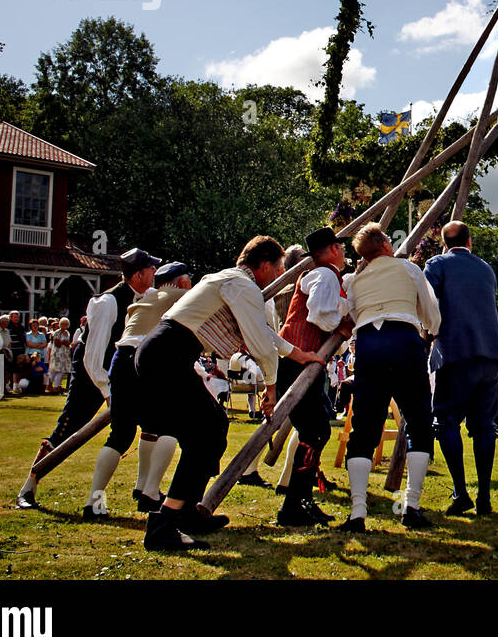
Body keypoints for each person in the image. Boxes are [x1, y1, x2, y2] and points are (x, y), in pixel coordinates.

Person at [136, 236, 322, 551]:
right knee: (205, 435)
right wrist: (271, 386)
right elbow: (259, 343)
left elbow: (261, 332)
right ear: (263, 265)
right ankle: (164, 523)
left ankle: (185, 514)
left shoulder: (230, 280)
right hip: (168, 354)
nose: (278, 275)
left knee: (213, 429)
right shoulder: (242, 286)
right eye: (276, 268)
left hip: (168, 352)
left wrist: (297, 354)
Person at [17, 248, 161, 512]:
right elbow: (93, 356)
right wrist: (108, 392)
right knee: (68, 429)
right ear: (138, 274)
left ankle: (145, 492)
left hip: (123, 370)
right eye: (150, 269)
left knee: (142, 427)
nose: (155, 272)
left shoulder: (147, 297)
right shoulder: (108, 303)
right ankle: (29, 486)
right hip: (92, 373)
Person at [331, 222, 441, 533]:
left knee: (365, 428)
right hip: (404, 340)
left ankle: (358, 512)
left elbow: (351, 314)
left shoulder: (354, 281)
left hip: (369, 344)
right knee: (419, 422)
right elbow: (432, 314)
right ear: (386, 246)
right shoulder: (408, 269)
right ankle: (412, 506)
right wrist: (429, 329)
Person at [87, 261, 194, 520]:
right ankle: (149, 492)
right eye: (189, 278)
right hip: (147, 360)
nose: (191, 282)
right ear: (180, 281)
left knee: (121, 435)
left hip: (121, 360)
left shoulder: (144, 299)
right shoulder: (181, 295)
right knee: (172, 426)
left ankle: (95, 502)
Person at [421, 220, 498, 518]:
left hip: (454, 350)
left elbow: (427, 301)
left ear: (444, 243)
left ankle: (461, 492)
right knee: (484, 425)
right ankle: (484, 496)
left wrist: (427, 334)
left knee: (446, 421)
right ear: (470, 242)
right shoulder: (485, 268)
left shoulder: (437, 264)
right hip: (489, 353)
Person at [273, 226, 355, 527]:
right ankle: (295, 505)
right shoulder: (325, 275)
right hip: (299, 362)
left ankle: (300, 501)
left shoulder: (324, 275)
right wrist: (341, 325)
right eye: (341, 247)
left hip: (305, 363)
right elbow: (320, 314)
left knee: (316, 430)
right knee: (316, 430)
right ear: (332, 249)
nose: (344, 252)